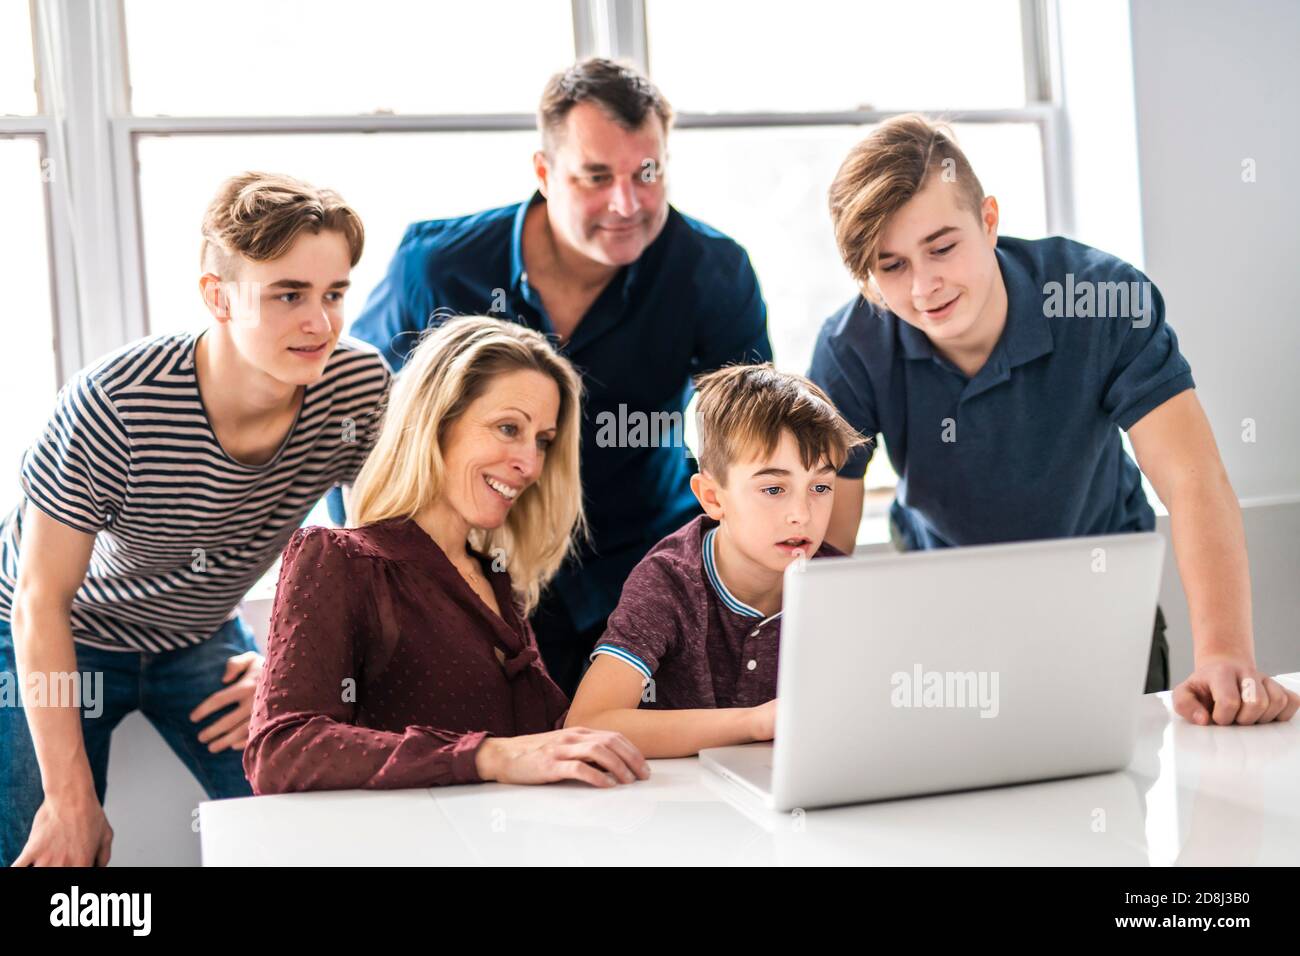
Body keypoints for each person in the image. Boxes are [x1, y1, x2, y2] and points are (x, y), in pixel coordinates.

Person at [807, 114, 1299, 726]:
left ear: (988, 221)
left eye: (942, 247)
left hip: (1103, 606)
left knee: (1114, 805)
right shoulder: (850, 348)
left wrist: (1226, 653)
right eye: (893, 266)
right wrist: (810, 690)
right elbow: (826, 540)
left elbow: (1192, 476)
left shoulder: (1103, 299)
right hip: (944, 621)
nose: (925, 286)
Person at [0, 172, 391, 866]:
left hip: (196, 631)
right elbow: (39, 600)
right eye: (288, 295)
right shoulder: (114, 403)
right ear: (217, 296)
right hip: (54, 632)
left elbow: (369, 562)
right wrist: (69, 801)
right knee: (47, 848)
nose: (321, 323)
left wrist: (285, 669)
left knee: (307, 826)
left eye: (335, 294)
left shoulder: (356, 385)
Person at [350, 57, 772, 697]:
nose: (627, 203)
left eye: (647, 172)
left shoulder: (713, 269)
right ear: (545, 173)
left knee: (662, 773)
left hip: (644, 563)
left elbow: (752, 441)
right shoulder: (436, 265)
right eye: (596, 176)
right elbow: (366, 429)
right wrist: (371, 577)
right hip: (479, 567)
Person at [244, 317, 648, 792]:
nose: (530, 464)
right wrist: (487, 755)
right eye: (507, 427)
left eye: (542, 441)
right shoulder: (340, 558)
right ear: (438, 422)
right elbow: (282, 750)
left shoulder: (496, 579)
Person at [565, 365, 863, 757]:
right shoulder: (668, 582)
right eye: (774, 488)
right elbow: (589, 723)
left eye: (820, 487)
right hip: (670, 805)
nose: (802, 514)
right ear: (712, 498)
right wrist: (756, 723)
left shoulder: (840, 583)